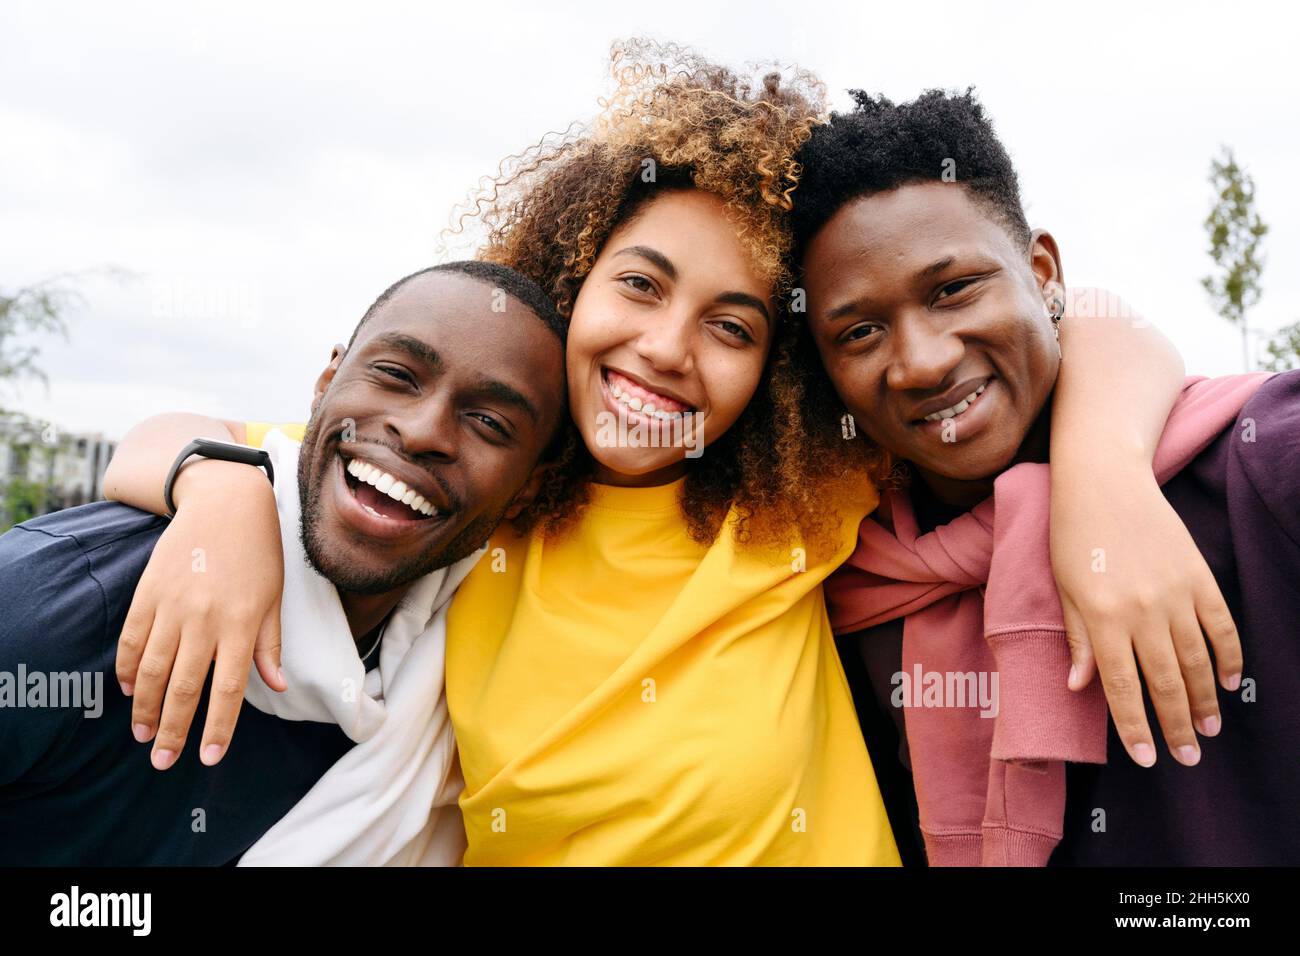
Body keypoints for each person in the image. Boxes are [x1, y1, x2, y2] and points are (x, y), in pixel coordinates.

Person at [103, 42, 1224, 866]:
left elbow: (1103, 330)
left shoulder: (805, 499)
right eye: (638, 284)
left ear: (780, 374)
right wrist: (213, 494)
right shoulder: (474, 494)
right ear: (572, 276)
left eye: (732, 326)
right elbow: (160, 441)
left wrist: (1104, 480)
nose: (667, 350)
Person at [793, 88, 1297, 865]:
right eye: (859, 331)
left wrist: (1107, 481)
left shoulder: (1257, 465)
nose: (923, 361)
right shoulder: (845, 596)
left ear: (1043, 272)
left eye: (954, 288)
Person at [0, 260, 567, 865]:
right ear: (327, 381)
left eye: (489, 422)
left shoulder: (451, 692)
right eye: (397, 374)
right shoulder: (64, 606)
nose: (424, 430)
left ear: (530, 487)